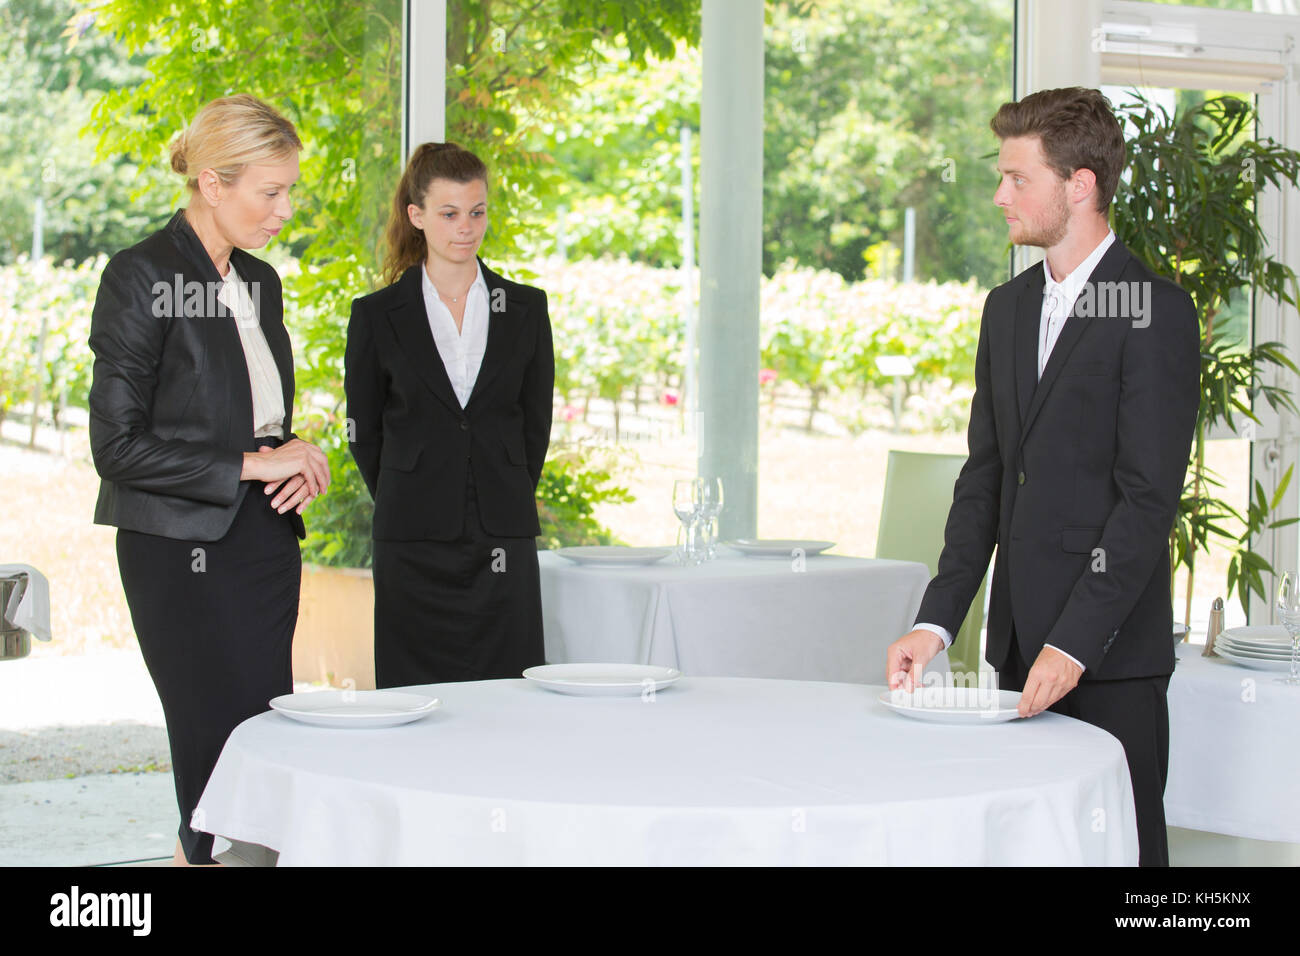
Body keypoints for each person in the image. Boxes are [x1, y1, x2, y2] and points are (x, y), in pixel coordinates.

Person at [885, 87, 1200, 866]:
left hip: (1111, 661)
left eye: (1018, 178)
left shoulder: (1153, 310)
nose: (1000, 195)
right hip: (1017, 658)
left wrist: (1076, 643)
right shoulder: (1007, 308)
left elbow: (1146, 500)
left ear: (1081, 185)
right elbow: (985, 479)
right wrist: (935, 623)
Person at [88, 94, 330, 866]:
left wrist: (296, 452)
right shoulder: (138, 275)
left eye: (289, 190)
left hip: (262, 541)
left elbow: (245, 413)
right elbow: (117, 447)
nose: (285, 210)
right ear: (213, 184)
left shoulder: (260, 281)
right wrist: (253, 464)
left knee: (265, 730)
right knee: (210, 739)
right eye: (272, 191)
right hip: (176, 549)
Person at [345, 142, 554, 688]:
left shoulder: (527, 309)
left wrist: (500, 485)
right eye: (449, 213)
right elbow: (364, 433)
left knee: (509, 690)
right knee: (414, 694)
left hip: (502, 532)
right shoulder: (375, 316)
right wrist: (410, 486)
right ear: (416, 216)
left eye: (477, 211)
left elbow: (535, 425)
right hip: (411, 535)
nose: (466, 228)